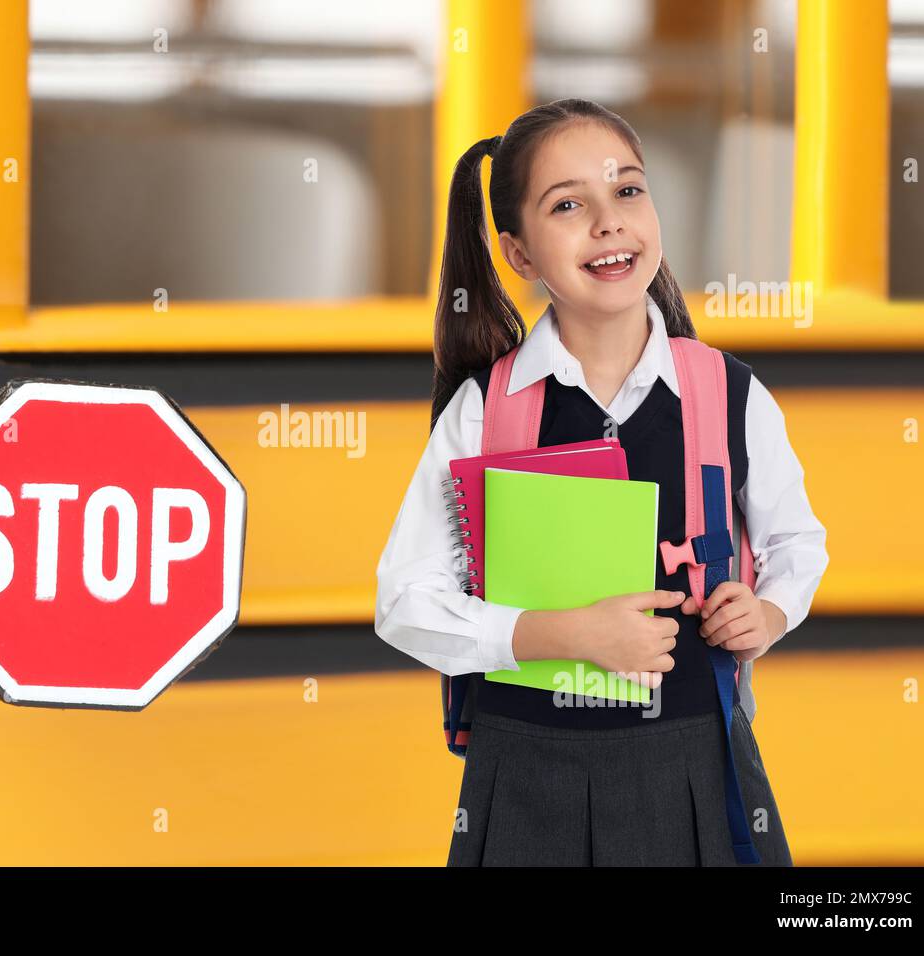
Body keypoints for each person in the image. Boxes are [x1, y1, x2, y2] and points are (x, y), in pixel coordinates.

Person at [374, 98, 829, 866]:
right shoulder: (486, 410)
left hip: (694, 768)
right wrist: (562, 635)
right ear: (519, 255)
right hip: (526, 780)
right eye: (567, 205)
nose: (608, 221)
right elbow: (403, 601)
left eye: (627, 190)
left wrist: (771, 612)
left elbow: (798, 543)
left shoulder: (729, 395)